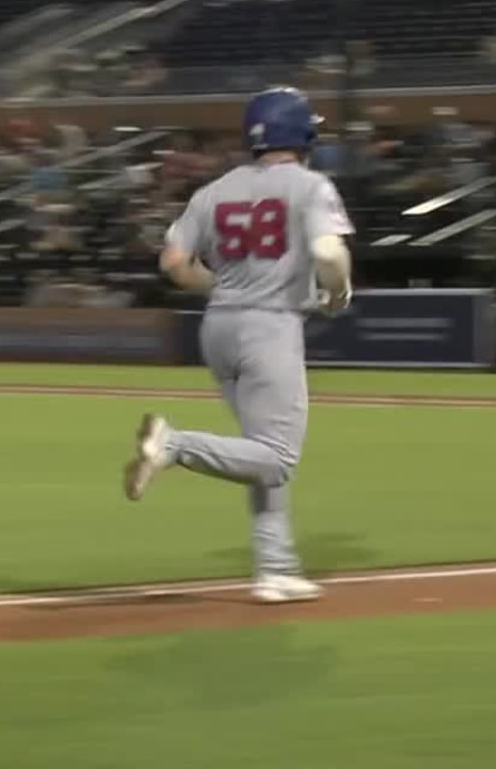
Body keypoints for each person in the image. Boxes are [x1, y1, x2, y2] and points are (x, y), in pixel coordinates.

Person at [122, 87, 355, 604]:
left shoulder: (213, 190)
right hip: (269, 328)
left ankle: (275, 569)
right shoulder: (311, 185)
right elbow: (328, 251)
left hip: (218, 328)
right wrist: (337, 291)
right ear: (302, 133)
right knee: (275, 457)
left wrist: (225, 287)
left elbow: (173, 264)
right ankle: (173, 444)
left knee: (257, 451)